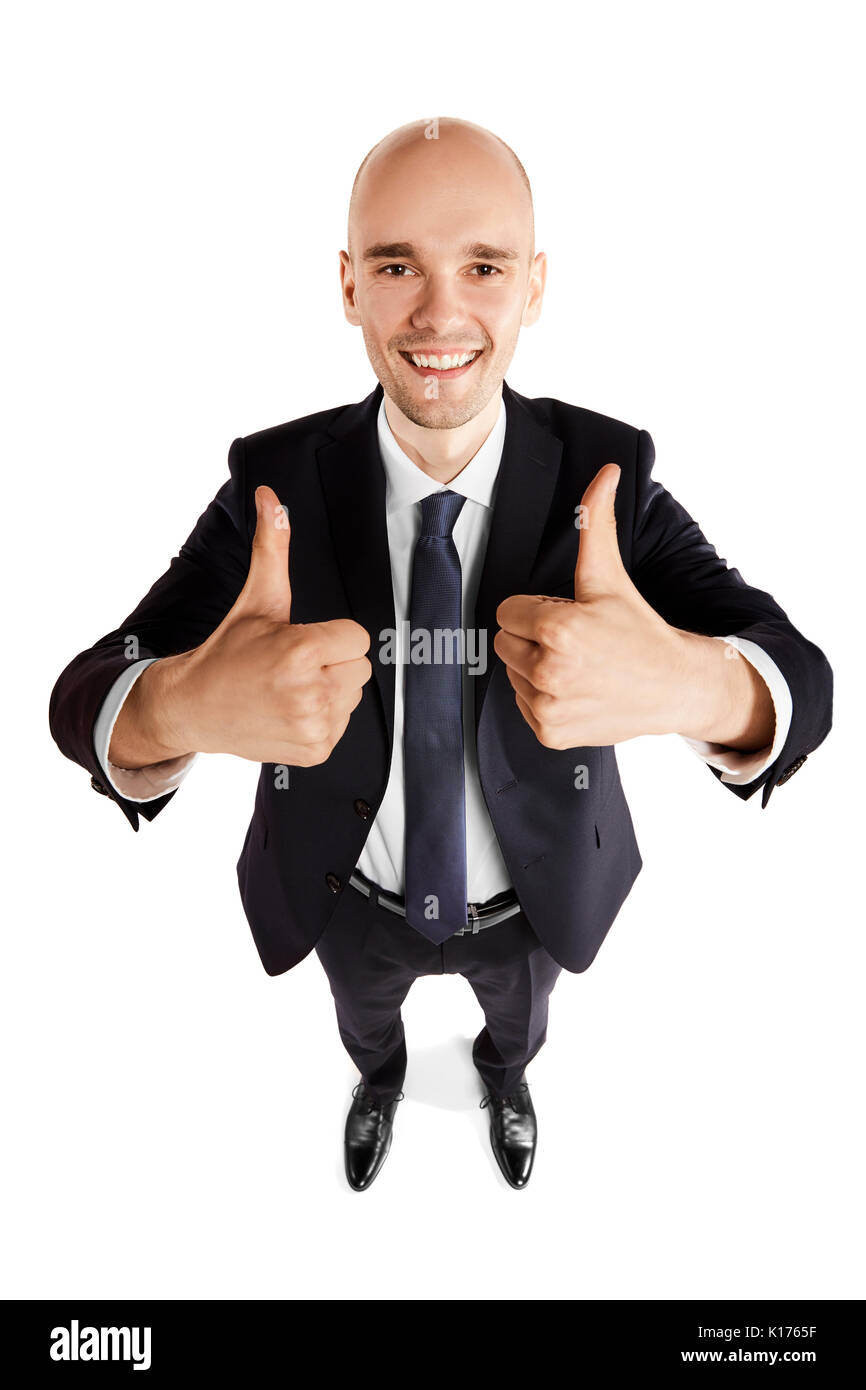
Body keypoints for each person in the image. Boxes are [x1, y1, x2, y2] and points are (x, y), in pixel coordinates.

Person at [48, 117, 833, 1192]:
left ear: (535, 284)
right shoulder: (271, 483)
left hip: (531, 899)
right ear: (346, 286)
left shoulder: (605, 476)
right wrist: (179, 709)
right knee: (360, 1022)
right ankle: (376, 1079)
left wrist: (685, 685)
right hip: (347, 894)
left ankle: (500, 1078)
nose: (439, 312)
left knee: (522, 1027)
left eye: (483, 266)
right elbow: (86, 688)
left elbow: (799, 672)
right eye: (394, 265)